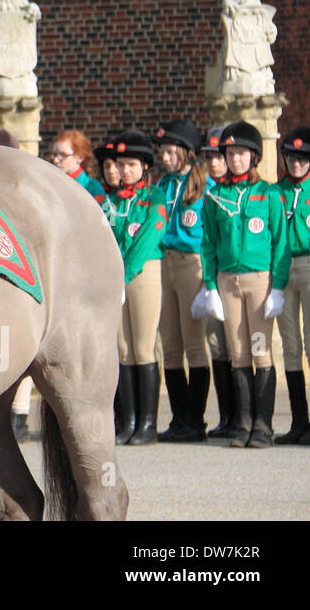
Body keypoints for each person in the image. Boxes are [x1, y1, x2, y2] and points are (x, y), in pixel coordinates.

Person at [201, 120, 289, 448]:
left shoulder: (268, 195)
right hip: (227, 282)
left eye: (241, 153)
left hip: (259, 281)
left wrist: (277, 287)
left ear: (254, 157)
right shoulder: (216, 196)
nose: (234, 159)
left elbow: (280, 243)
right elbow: (208, 244)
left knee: (259, 351)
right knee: (237, 354)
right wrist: (210, 285)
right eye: (229, 153)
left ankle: (263, 426)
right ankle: (243, 423)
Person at [105, 130, 167, 445]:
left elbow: (147, 240)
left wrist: (125, 274)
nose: (125, 170)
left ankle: (148, 423)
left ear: (144, 166)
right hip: (116, 275)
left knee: (143, 347)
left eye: (131, 164)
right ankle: (127, 421)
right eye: (121, 164)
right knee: (123, 348)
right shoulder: (112, 201)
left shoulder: (154, 198)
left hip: (142, 273)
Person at [152, 120, 212, 442]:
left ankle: (195, 419)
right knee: (170, 345)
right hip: (165, 262)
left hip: (192, 263)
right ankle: (178, 417)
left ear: (186, 151)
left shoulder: (204, 185)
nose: (164, 155)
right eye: (162, 150)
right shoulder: (163, 185)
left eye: (170, 149)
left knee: (194, 343)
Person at [198, 126, 238, 439]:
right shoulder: (201, 189)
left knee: (239, 345)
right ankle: (226, 416)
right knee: (217, 345)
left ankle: (241, 415)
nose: (213, 162)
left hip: (233, 273)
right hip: (208, 273)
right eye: (209, 157)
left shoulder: (232, 192)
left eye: (218, 156)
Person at [274, 126, 310, 444]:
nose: (296, 164)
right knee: (290, 347)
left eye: (301, 159)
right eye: (291, 158)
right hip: (283, 270)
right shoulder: (277, 192)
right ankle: (299, 422)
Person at [50, 128, 107, 205]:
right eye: (54, 154)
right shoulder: (50, 184)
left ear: (80, 157)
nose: (56, 160)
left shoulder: (92, 189)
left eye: (63, 155)